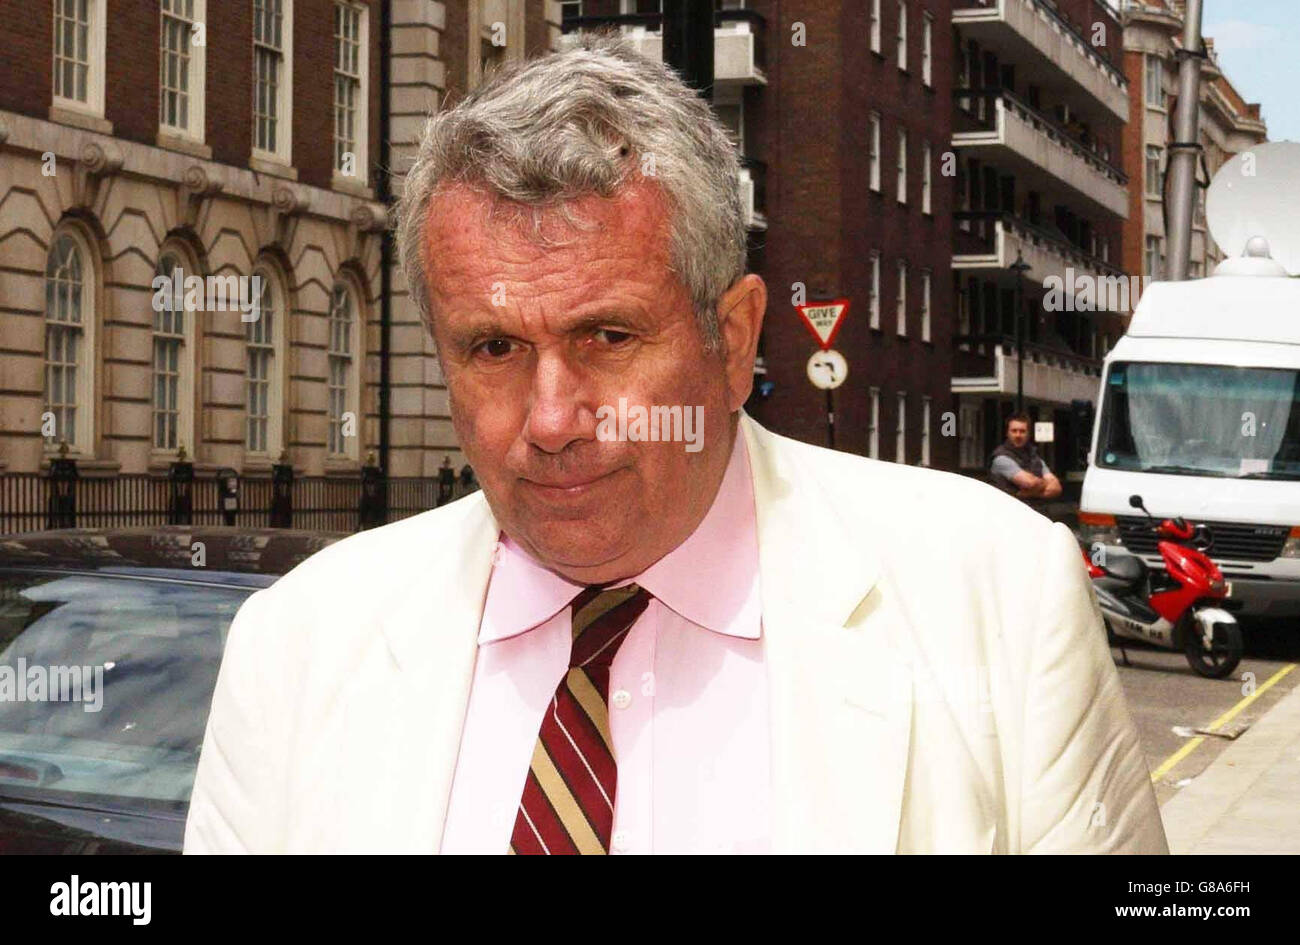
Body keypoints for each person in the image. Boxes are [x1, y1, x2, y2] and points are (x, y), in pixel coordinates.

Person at [184, 37, 1165, 854]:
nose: (552, 419)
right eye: (493, 348)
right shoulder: (298, 645)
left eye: (606, 337)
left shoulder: (998, 600)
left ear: (732, 340)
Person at [990, 413, 1063, 502]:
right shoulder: (1001, 458)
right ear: (1007, 433)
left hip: (1035, 511)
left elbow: (1056, 488)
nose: (1018, 435)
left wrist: (1025, 494)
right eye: (1014, 431)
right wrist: (1044, 485)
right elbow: (1029, 483)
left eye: (1022, 431)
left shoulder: (1035, 457)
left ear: (1028, 434)